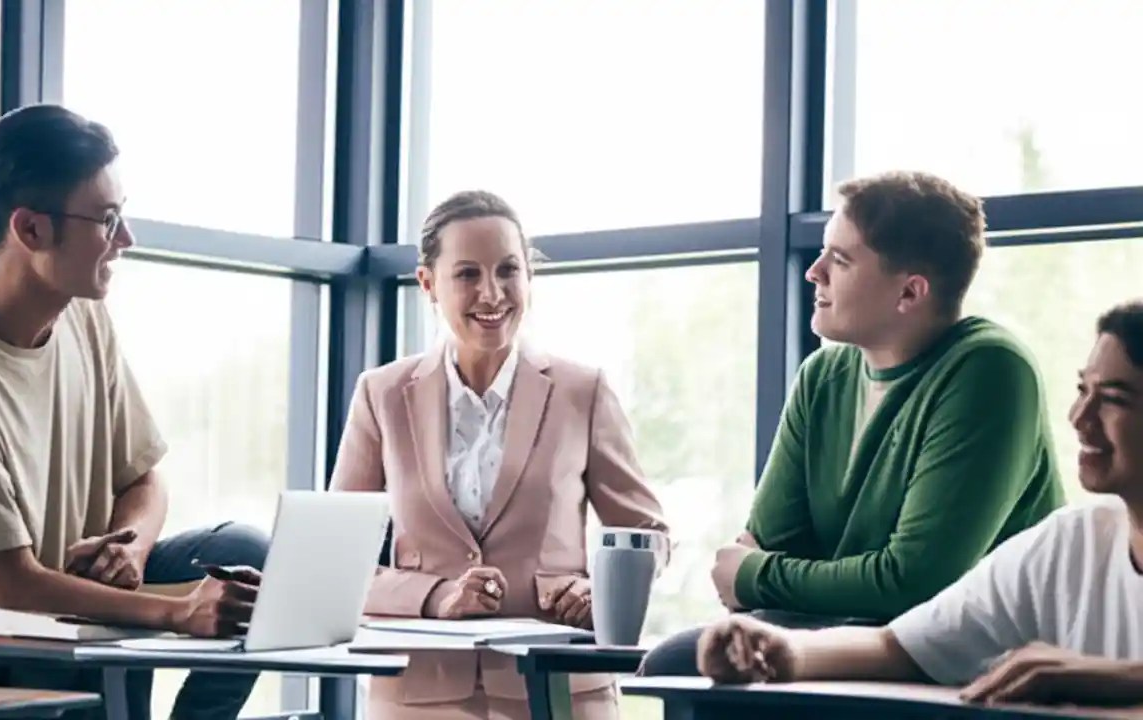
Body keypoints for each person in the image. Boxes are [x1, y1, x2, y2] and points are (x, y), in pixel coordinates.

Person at [0, 104, 266, 720]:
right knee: (78, 654)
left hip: (88, 603)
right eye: (107, 219)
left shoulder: (83, 317)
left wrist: (134, 549)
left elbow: (143, 476)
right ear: (31, 230)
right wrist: (177, 611)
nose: (126, 239)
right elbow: (12, 583)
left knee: (251, 554)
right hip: (0, 643)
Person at [641, 170, 1064, 675]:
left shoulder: (991, 371)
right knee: (679, 660)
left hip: (975, 660)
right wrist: (775, 572)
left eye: (840, 260)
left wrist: (755, 576)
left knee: (687, 661)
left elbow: (913, 584)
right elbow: (774, 540)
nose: (813, 272)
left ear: (909, 293)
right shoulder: (823, 375)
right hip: (849, 633)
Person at [694, 300, 1143, 709]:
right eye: (1084, 390)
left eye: (1115, 400)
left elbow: (905, 580)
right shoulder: (1070, 544)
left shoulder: (990, 364)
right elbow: (901, 647)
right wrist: (781, 650)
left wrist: (1127, 680)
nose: (1079, 418)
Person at [329, 190, 670, 719]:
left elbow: (647, 534)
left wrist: (598, 590)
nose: (492, 294)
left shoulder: (584, 391)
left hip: (559, 689)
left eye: (509, 270)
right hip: (418, 693)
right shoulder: (382, 394)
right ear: (428, 284)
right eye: (467, 274)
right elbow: (335, 564)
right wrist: (437, 595)